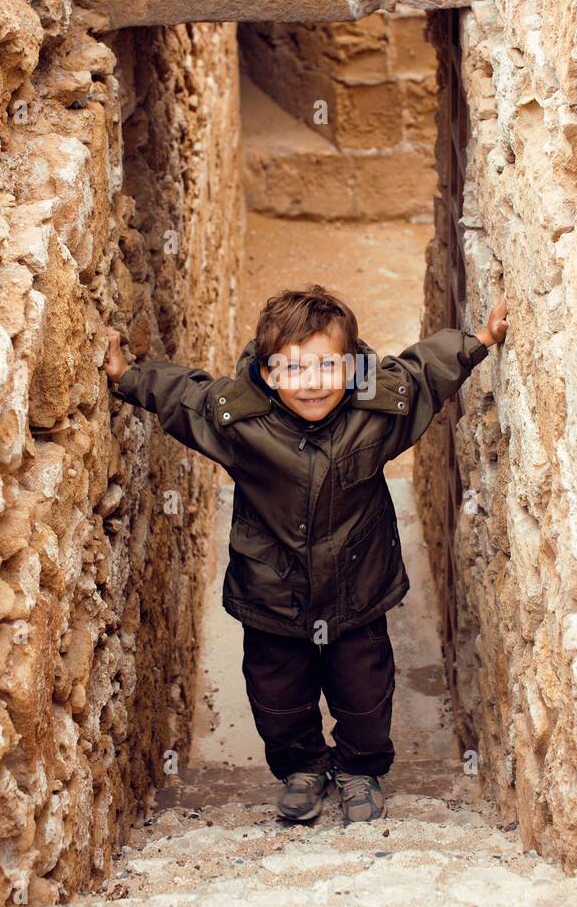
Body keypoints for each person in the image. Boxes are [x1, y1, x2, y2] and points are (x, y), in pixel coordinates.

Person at [103, 284, 508, 826]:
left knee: (365, 695)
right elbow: (184, 396)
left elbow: (424, 372)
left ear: (351, 366)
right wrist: (128, 377)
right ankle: (302, 768)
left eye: (327, 367)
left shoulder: (380, 406)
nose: (312, 382)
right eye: (292, 370)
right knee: (278, 697)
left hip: (358, 591)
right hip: (271, 594)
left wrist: (480, 339)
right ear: (267, 373)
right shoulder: (238, 421)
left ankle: (361, 769)